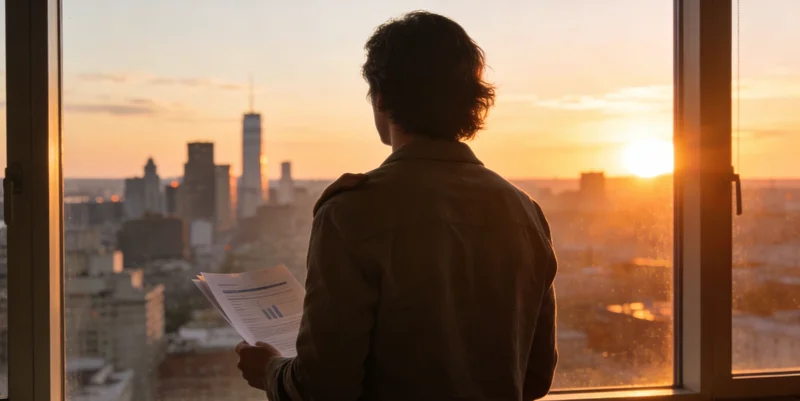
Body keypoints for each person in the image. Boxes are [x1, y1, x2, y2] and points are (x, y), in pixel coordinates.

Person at [236, 10, 558, 401]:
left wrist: (270, 370)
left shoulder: (351, 212)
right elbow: (536, 377)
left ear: (382, 96)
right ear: (469, 103)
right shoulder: (525, 213)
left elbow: (323, 388)